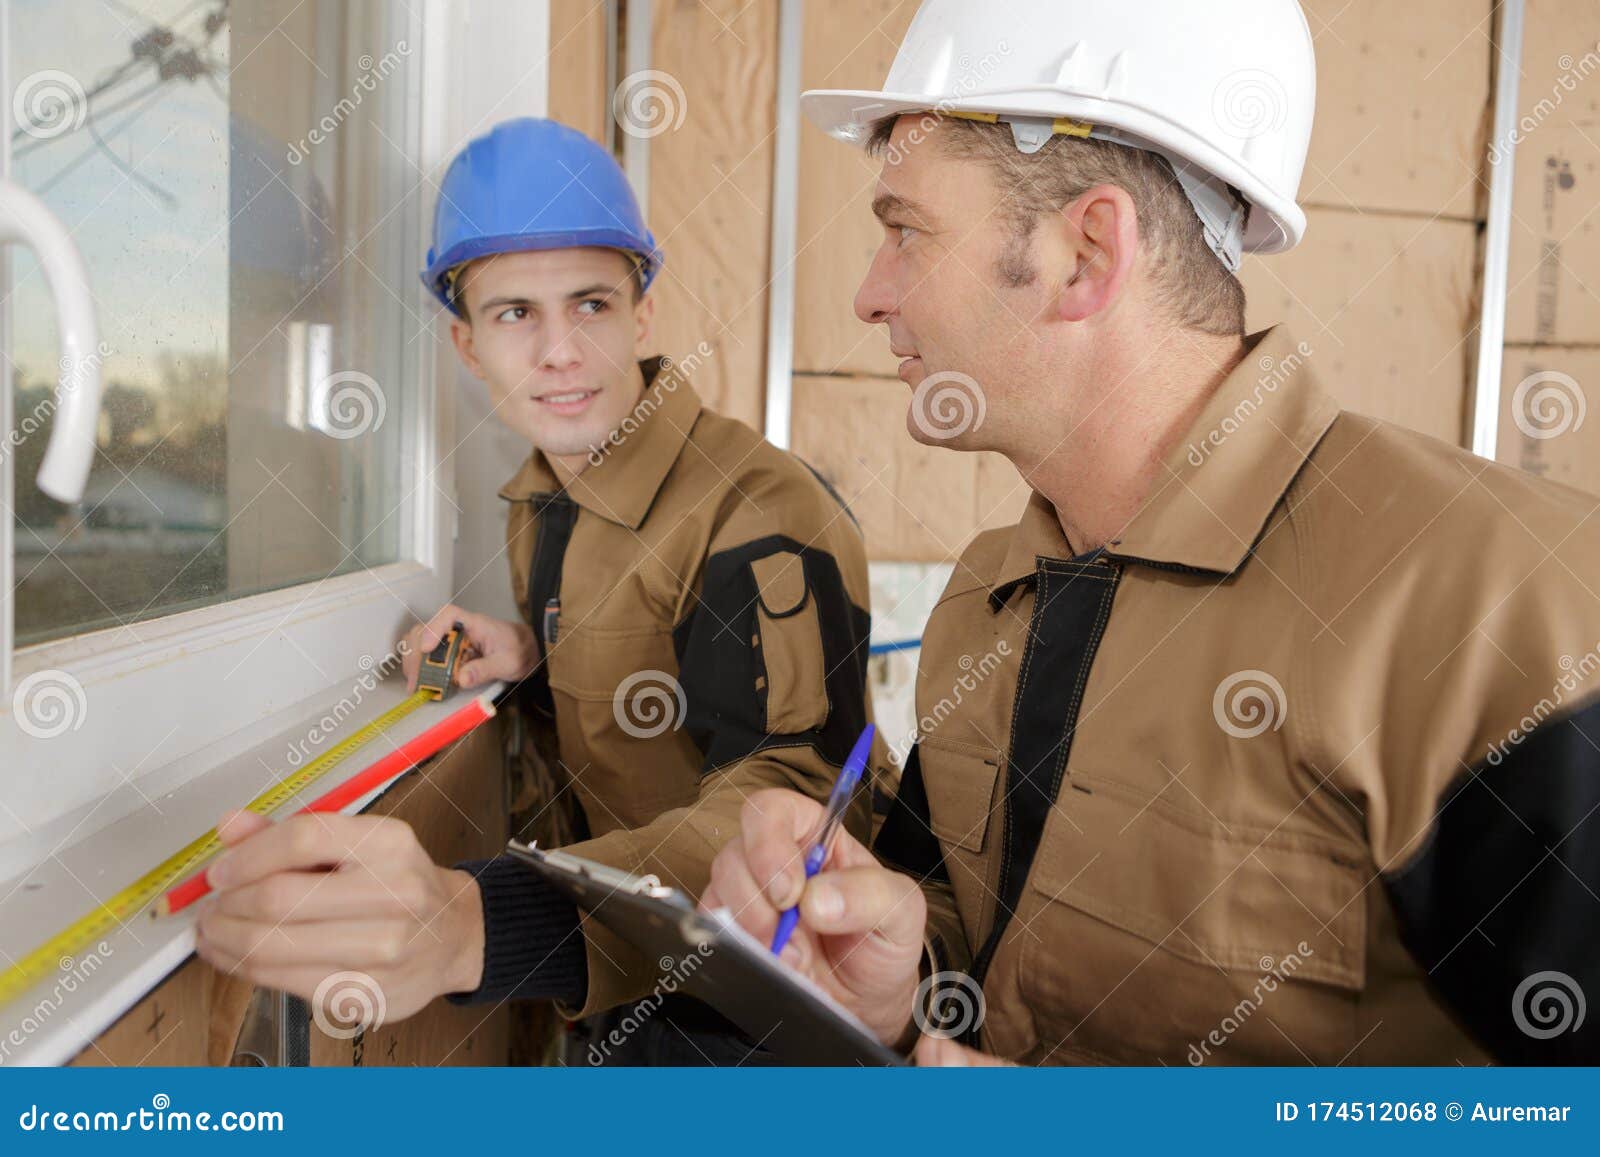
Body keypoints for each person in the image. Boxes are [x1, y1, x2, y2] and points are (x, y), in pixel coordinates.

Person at [702, 0, 1600, 1065]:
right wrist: (900, 993)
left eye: (904, 230)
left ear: (1085, 253)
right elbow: (985, 974)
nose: (868, 292)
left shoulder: (1506, 606)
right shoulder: (989, 594)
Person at [194, 118, 876, 1066]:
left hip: (751, 1017)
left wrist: (478, 921)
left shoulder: (759, 513)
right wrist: (535, 655)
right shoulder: (547, 499)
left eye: (590, 303)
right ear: (467, 344)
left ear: (642, 312)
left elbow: (784, 802)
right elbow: (652, 673)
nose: (559, 351)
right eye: (515, 313)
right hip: (617, 976)